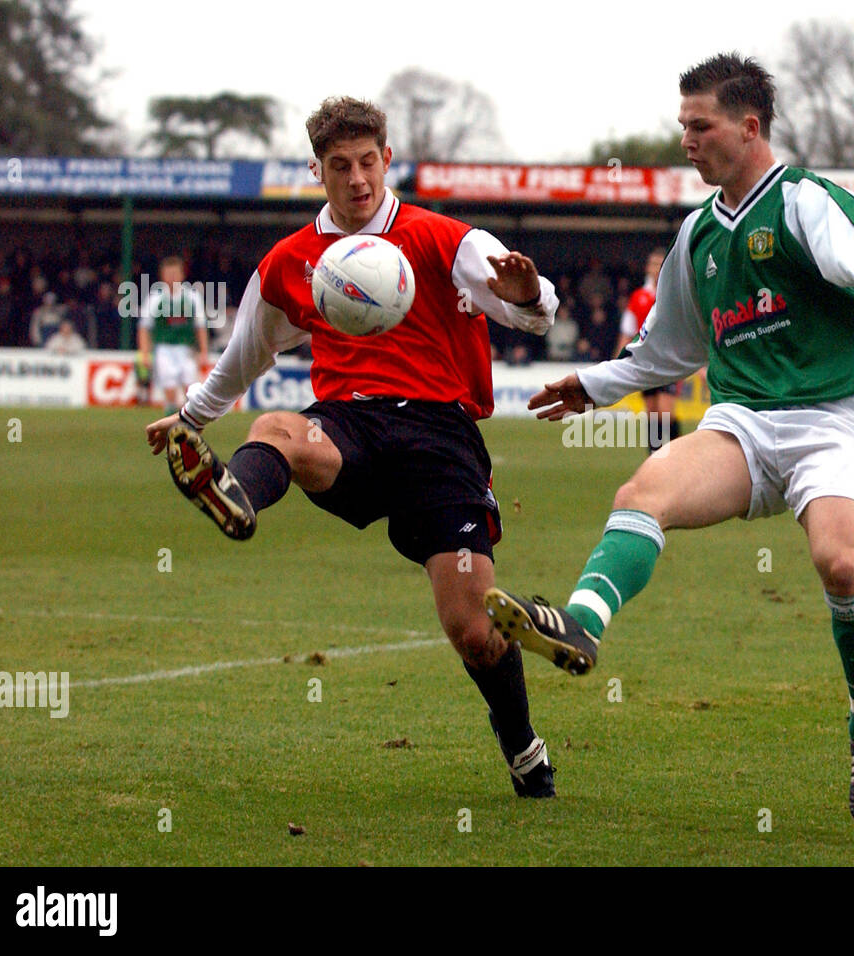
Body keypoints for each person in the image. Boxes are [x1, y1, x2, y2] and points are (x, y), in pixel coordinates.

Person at [481, 53, 854, 824]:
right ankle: (581, 625)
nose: (685, 139)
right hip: (744, 424)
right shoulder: (695, 237)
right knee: (641, 490)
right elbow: (665, 352)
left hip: (829, 423)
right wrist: (593, 385)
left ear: (749, 127)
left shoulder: (803, 201)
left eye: (700, 125)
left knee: (840, 563)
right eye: (681, 125)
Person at [143, 96, 562, 798]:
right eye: (340, 166)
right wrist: (191, 417)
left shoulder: (441, 238)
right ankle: (235, 493)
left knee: (473, 630)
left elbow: (535, 312)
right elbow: (246, 354)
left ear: (387, 160)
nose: (358, 178)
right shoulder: (290, 261)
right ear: (319, 170)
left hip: (439, 438)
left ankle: (522, 748)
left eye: (368, 162)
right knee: (275, 427)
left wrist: (528, 296)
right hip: (350, 428)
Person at [616, 248, 681, 453]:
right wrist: (618, 358)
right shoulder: (638, 297)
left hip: (670, 360)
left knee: (665, 410)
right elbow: (627, 330)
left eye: (660, 265)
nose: (656, 269)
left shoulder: (674, 293)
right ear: (648, 268)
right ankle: (654, 455)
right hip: (646, 360)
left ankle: (673, 453)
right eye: (653, 264)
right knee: (652, 411)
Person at [138, 257, 209, 415]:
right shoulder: (155, 299)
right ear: (162, 275)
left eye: (175, 274)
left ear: (182, 275)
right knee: (169, 387)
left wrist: (203, 351)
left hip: (187, 349)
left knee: (191, 388)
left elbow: (200, 326)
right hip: (164, 348)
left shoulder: (192, 297)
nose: (172, 277)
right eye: (168, 274)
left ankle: (189, 422)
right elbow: (144, 327)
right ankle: (171, 422)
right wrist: (145, 354)